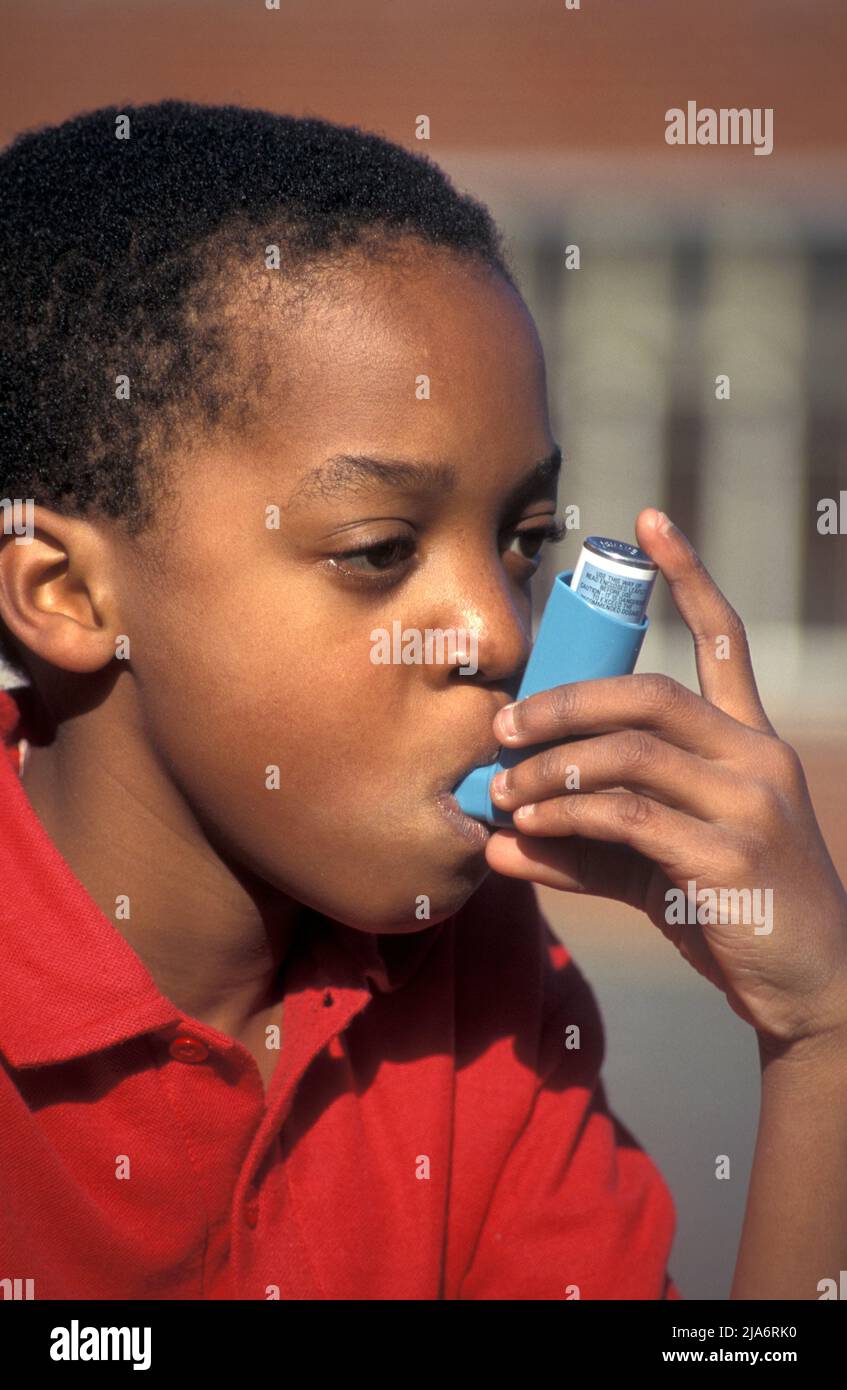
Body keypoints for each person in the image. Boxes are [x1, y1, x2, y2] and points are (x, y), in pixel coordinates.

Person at [0, 100, 844, 1301]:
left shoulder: (474, 980)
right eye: (379, 547)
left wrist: (823, 1032)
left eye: (521, 540)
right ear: (68, 593)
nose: (501, 633)